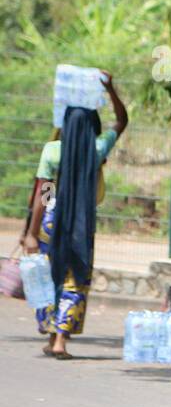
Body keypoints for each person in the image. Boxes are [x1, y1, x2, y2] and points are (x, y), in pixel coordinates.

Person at [22, 74, 129, 358]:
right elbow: (122, 121)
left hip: (51, 223)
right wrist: (111, 89)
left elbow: (42, 196)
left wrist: (32, 233)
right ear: (92, 127)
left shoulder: (52, 151)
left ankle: (49, 329)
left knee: (51, 276)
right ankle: (60, 340)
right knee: (75, 278)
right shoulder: (96, 149)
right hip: (82, 224)